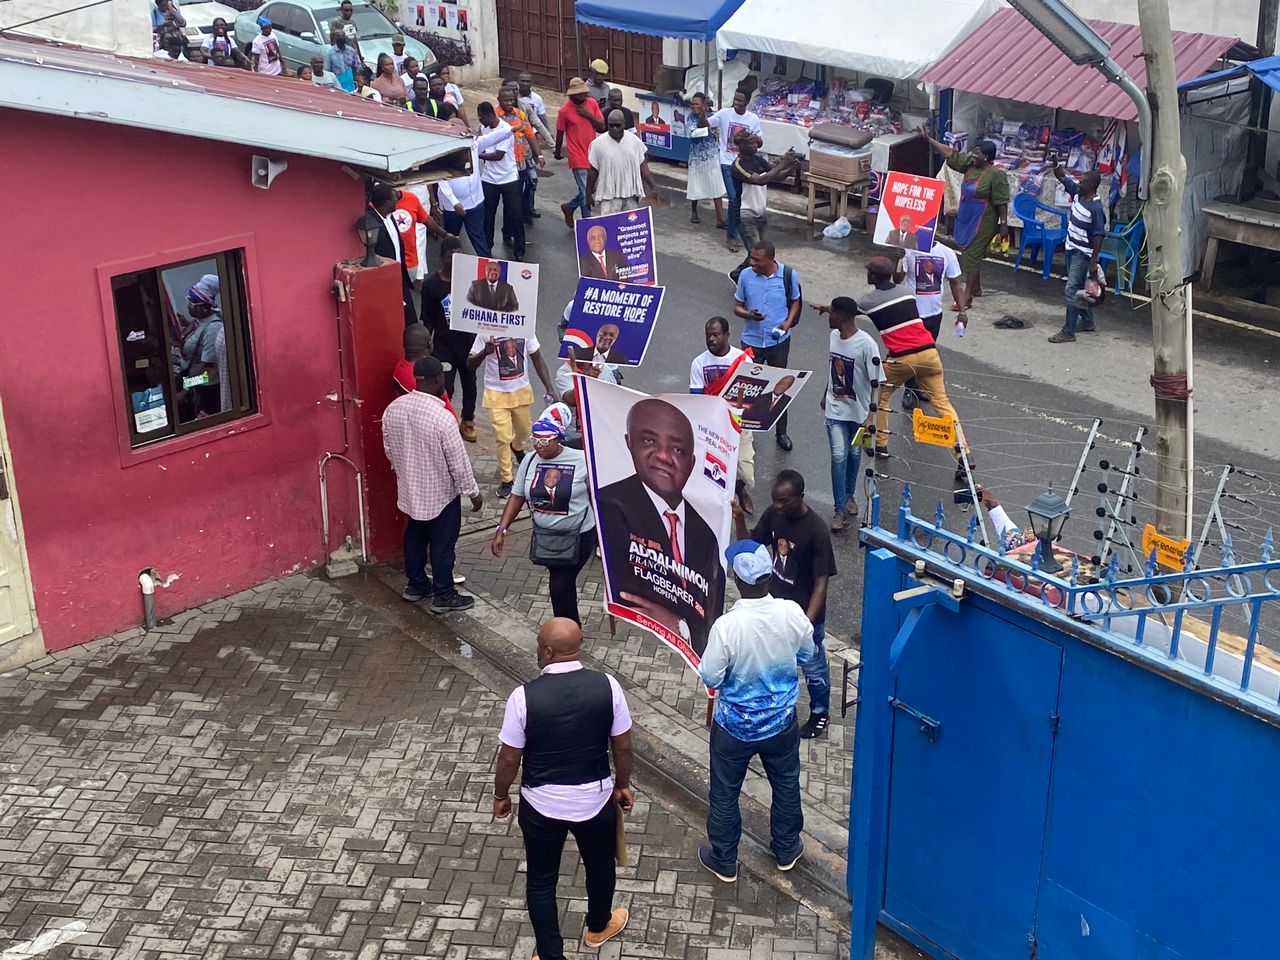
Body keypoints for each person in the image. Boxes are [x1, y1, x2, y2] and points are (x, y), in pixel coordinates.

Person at [493, 617, 633, 960]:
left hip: (541, 806)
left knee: (541, 881)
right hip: (595, 801)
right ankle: (598, 927)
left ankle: (550, 953)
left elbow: (510, 758)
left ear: (549, 651)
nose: (537, 647)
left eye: (539, 643)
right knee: (600, 865)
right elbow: (623, 746)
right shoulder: (608, 686)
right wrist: (623, 784)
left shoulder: (522, 697)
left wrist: (501, 795)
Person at [697, 540, 814, 881]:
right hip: (781, 725)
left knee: (724, 791)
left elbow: (710, 676)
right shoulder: (792, 613)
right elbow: (808, 655)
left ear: (735, 578)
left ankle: (724, 858)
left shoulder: (727, 627)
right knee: (787, 784)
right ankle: (787, 848)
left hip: (733, 729)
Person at [815, 257, 970, 479]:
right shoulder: (907, 291)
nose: (867, 274)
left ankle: (881, 444)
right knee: (943, 404)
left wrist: (826, 309)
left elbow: (845, 312)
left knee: (880, 395)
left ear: (874, 277)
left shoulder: (869, 300)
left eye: (868, 271)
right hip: (930, 353)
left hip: (903, 358)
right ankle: (963, 453)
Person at [594, 398, 726, 658]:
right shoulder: (609, 507)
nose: (664, 457)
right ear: (629, 443)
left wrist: (683, 627)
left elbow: (710, 605)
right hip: (637, 645)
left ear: (692, 462)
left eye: (678, 450)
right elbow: (623, 588)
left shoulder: (707, 532)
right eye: (648, 441)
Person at [733, 470, 836, 739]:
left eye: (784, 501)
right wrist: (739, 520)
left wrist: (806, 623)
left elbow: (821, 584)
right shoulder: (774, 514)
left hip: (804, 618)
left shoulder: (817, 531)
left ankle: (820, 712)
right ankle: (778, 708)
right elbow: (749, 547)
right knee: (775, 662)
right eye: (775, 500)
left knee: (813, 667)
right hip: (774, 609)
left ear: (800, 497)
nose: (779, 506)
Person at [382, 356, 483, 612]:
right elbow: (458, 464)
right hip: (441, 496)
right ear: (438, 379)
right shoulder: (443, 418)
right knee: (442, 546)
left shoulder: (393, 409)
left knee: (414, 538)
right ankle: (444, 595)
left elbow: (389, 450)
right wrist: (474, 493)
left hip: (409, 491)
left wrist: (406, 472)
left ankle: (416, 585)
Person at [492, 418, 598, 623]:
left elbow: (598, 498)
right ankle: (570, 629)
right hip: (546, 538)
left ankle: (567, 631)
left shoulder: (583, 460)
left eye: (544, 441)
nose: (538, 446)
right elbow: (517, 496)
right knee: (562, 583)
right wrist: (501, 529)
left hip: (579, 536)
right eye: (535, 440)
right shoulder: (530, 461)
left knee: (560, 583)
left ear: (558, 439)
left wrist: (605, 537)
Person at [920, 131, 1010, 310]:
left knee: (972, 255)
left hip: (984, 220)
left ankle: (967, 295)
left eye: (977, 154)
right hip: (966, 216)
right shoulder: (970, 165)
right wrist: (929, 140)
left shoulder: (996, 175)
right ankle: (976, 287)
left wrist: (1003, 225)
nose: (973, 156)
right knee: (966, 250)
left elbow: (1002, 202)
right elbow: (950, 154)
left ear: (986, 157)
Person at [816, 297, 880, 532]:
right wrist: (826, 393)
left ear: (842, 317)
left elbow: (876, 383)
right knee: (838, 456)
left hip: (860, 413)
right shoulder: (834, 337)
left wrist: (871, 417)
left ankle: (850, 495)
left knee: (854, 455)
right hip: (835, 410)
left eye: (831, 313)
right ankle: (839, 509)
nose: (828, 317)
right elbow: (832, 367)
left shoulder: (866, 345)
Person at [468, 333, 556, 498]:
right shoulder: (485, 331)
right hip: (495, 393)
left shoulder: (525, 327)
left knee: (525, 430)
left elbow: (537, 357)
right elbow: (470, 364)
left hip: (520, 391)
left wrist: (549, 387)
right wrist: (485, 352)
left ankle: (516, 447)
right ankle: (507, 479)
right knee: (502, 437)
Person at [733, 239, 801, 451]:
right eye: (751, 258)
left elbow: (795, 300)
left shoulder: (789, 275)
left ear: (770, 259)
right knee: (745, 390)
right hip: (751, 341)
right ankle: (743, 433)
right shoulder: (745, 276)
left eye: (757, 260)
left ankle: (781, 432)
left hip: (778, 342)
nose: (752, 262)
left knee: (780, 387)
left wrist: (788, 323)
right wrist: (749, 315)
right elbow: (737, 306)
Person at [688, 317, 754, 511]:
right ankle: (722, 502)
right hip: (713, 422)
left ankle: (740, 489)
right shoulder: (698, 363)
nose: (711, 339)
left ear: (726, 335)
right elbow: (697, 398)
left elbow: (752, 394)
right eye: (708, 335)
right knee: (715, 466)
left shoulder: (743, 360)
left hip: (738, 421)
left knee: (744, 466)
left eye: (716, 335)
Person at [421, 237, 478, 441]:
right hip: (443, 346)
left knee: (470, 384)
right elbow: (427, 318)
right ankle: (446, 421)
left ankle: (468, 420)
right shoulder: (431, 285)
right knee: (448, 386)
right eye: (450, 256)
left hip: (468, 344)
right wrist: (425, 349)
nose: (454, 260)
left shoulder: (471, 281)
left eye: (459, 255)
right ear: (442, 257)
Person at [1048, 164, 1106, 344]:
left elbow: (1099, 235)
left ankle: (1068, 331)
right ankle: (1087, 321)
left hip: (1082, 254)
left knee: (1071, 289)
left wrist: (1094, 260)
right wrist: (1056, 165)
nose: (1078, 184)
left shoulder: (1095, 209)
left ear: (1091, 187)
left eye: (1083, 182)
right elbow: (1062, 177)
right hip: (1070, 247)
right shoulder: (1079, 194)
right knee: (1078, 286)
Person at [730, 131, 800, 279]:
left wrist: (791, 167)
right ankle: (745, 279)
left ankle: (739, 274)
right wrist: (783, 163)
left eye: (756, 142)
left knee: (758, 252)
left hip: (760, 212)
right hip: (745, 214)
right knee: (757, 254)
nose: (755, 145)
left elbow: (775, 176)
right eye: (751, 143)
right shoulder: (738, 165)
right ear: (741, 146)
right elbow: (760, 180)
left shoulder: (758, 159)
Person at [438, 124, 507, 257]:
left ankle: (486, 266)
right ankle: (449, 267)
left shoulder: (473, 144)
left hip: (475, 202)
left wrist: (510, 130)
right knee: (451, 238)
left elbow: (493, 137)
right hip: (453, 207)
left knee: (478, 237)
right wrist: (454, 202)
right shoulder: (443, 151)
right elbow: (442, 181)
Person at [708, 89, 763, 254]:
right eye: (735, 99)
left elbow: (760, 142)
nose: (736, 103)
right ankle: (732, 236)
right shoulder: (724, 114)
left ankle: (743, 230)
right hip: (726, 163)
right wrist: (703, 112)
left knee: (742, 199)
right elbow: (704, 123)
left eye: (740, 100)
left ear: (747, 102)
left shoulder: (753, 119)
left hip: (744, 164)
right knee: (733, 199)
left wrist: (752, 138)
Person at [587, 110, 664, 215]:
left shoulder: (634, 141)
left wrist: (653, 187)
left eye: (618, 125)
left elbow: (643, 166)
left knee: (629, 228)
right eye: (611, 125)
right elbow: (593, 171)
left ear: (624, 124)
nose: (614, 128)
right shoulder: (597, 144)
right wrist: (588, 194)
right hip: (609, 197)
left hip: (630, 195)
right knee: (610, 229)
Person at [476, 102, 526, 261]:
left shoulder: (505, 129)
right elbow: (482, 145)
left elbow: (498, 155)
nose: (479, 120)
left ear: (489, 115)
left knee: (516, 215)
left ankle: (520, 250)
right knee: (487, 215)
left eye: (480, 117)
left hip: (508, 178)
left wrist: (476, 154)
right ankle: (487, 247)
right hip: (489, 179)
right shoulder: (483, 128)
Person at [496, 86, 545, 238]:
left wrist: (540, 155)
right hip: (504, 168)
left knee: (515, 202)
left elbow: (530, 135)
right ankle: (508, 232)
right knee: (510, 203)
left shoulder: (521, 115)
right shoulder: (495, 117)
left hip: (521, 165)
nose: (510, 103)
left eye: (512, 100)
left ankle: (512, 233)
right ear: (499, 100)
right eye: (506, 100)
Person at [894, 238, 966, 341]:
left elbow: (955, 284)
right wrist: (899, 259)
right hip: (911, 315)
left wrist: (962, 312)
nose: (929, 266)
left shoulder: (947, 253)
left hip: (935, 315)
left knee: (929, 350)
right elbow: (897, 279)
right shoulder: (908, 251)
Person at [556, 78, 605, 226]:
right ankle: (587, 225)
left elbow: (602, 126)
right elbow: (560, 132)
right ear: (571, 95)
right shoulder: (564, 111)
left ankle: (569, 207)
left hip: (593, 154)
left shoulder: (592, 104)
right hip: (577, 155)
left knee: (593, 188)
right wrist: (557, 152)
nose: (582, 96)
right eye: (578, 94)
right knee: (585, 193)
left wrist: (588, 115)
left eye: (583, 93)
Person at [369, 182, 419, 326]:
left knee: (411, 320)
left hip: (399, 276)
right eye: (394, 198)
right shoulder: (372, 223)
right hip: (385, 281)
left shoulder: (390, 217)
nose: (397, 199)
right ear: (386, 203)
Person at [686, 93, 726, 227]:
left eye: (696, 104)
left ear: (704, 104)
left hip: (712, 156)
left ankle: (720, 218)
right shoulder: (690, 118)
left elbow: (717, 130)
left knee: (717, 187)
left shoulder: (713, 116)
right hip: (697, 158)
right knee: (695, 187)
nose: (693, 106)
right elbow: (693, 133)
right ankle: (693, 212)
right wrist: (704, 121)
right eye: (692, 104)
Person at [393, 187, 446, 289]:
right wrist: (433, 202)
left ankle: (417, 276)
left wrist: (433, 203)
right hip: (409, 195)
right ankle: (417, 276)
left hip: (416, 195)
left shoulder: (411, 198)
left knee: (415, 235)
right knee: (415, 236)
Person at [517, 71, 553, 146]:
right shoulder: (514, 97)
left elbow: (542, 117)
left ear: (531, 83)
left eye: (527, 81)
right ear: (518, 81)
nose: (525, 84)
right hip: (517, 130)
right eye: (523, 81)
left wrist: (548, 133)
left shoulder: (537, 98)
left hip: (532, 132)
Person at [325, 27, 360, 92]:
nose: (341, 37)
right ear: (335, 38)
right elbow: (327, 71)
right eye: (338, 36)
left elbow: (356, 67)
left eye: (343, 35)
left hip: (350, 84)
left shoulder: (351, 51)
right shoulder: (330, 52)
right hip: (337, 84)